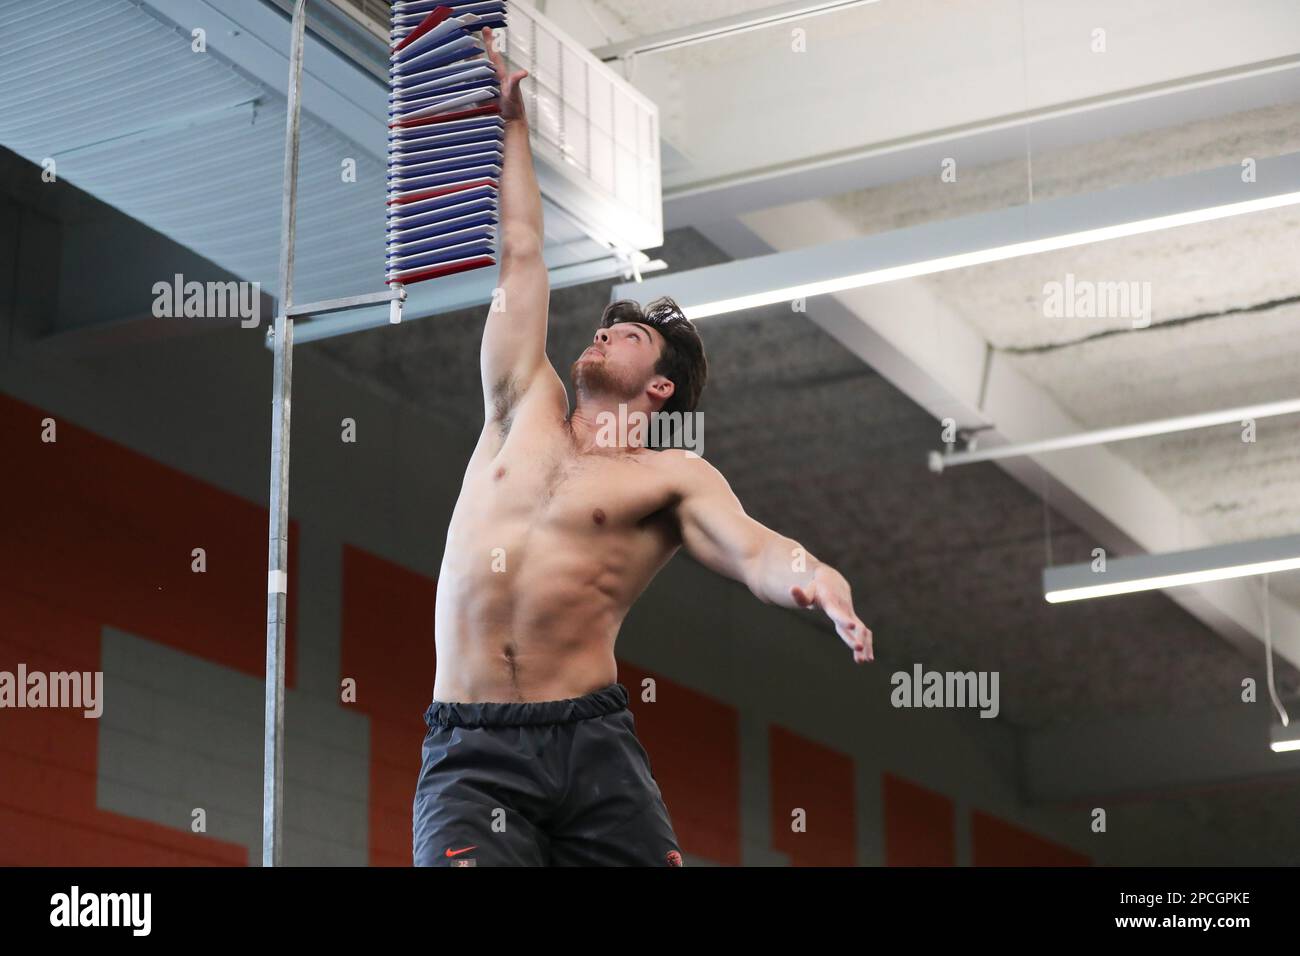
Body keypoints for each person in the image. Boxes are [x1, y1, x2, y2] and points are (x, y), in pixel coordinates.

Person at [413, 26, 872, 867]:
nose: (603, 333)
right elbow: (520, 257)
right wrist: (510, 127)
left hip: (591, 747)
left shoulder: (671, 477)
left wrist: (820, 584)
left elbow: (762, 552)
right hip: (471, 749)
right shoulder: (521, 402)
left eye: (625, 335)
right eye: (605, 324)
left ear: (660, 387)